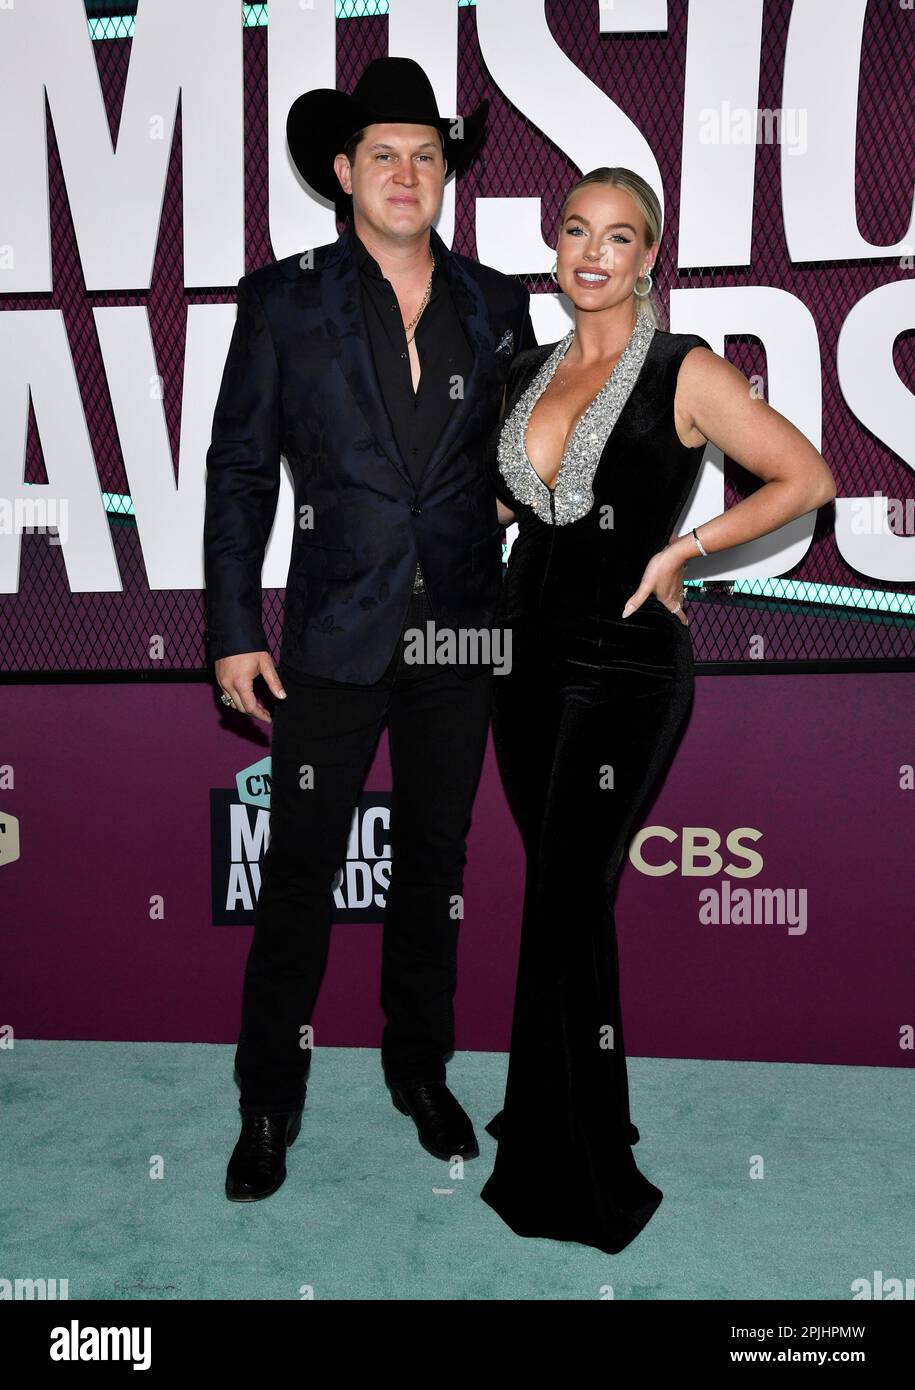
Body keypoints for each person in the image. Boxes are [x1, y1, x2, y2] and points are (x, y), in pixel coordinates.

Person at [479, 166, 836, 1255]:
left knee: (570, 896)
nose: (593, 251)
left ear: (649, 257)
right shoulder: (526, 370)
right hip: (522, 661)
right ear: (557, 244)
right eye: (577, 230)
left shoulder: (685, 370)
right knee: (559, 897)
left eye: (619, 235)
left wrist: (688, 548)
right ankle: (568, 1114)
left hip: (626, 666)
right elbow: (508, 503)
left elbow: (805, 479)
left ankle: (580, 1171)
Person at [203, 56, 536, 1201]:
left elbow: (528, 453)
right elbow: (242, 469)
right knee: (299, 869)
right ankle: (268, 1100)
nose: (407, 174)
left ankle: (420, 1070)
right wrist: (233, 627)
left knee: (434, 866)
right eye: (384, 155)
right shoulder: (283, 299)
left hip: (460, 636)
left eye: (426, 157)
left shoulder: (498, 302)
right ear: (343, 172)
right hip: (334, 635)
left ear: (447, 175)